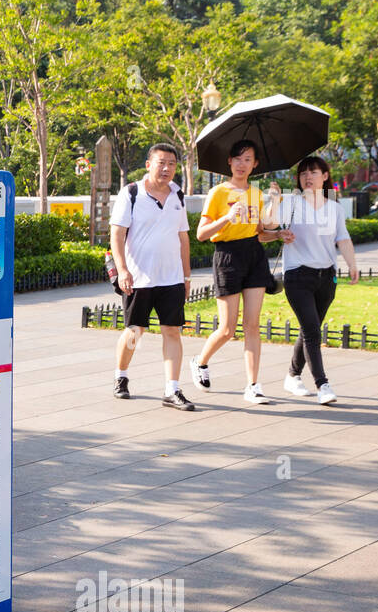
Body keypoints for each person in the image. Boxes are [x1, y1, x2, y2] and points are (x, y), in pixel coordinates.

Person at [189, 139, 277, 404]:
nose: (242, 164)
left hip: (253, 255)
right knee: (228, 329)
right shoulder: (218, 193)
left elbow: (260, 233)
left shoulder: (257, 194)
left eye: (248, 159)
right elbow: (201, 234)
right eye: (237, 158)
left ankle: (253, 385)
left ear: (255, 164)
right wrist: (226, 218)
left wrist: (278, 232)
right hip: (227, 256)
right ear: (229, 161)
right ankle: (200, 361)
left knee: (252, 324)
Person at [266, 155, 359, 404]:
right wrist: (274, 202)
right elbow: (267, 226)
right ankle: (323, 384)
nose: (308, 177)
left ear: (325, 176)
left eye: (314, 172)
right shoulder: (291, 203)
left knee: (311, 328)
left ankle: (292, 375)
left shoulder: (335, 208)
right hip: (298, 275)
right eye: (304, 173)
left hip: (326, 278)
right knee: (311, 331)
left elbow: (343, 239)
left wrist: (352, 265)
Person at [109, 143, 196, 410]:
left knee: (172, 331)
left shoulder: (177, 195)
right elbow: (117, 234)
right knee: (136, 330)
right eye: (161, 162)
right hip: (139, 278)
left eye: (171, 163)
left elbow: (183, 237)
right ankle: (121, 376)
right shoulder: (131, 193)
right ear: (149, 165)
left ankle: (172, 390)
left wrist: (186, 276)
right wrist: (123, 270)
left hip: (170, 278)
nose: (167, 168)